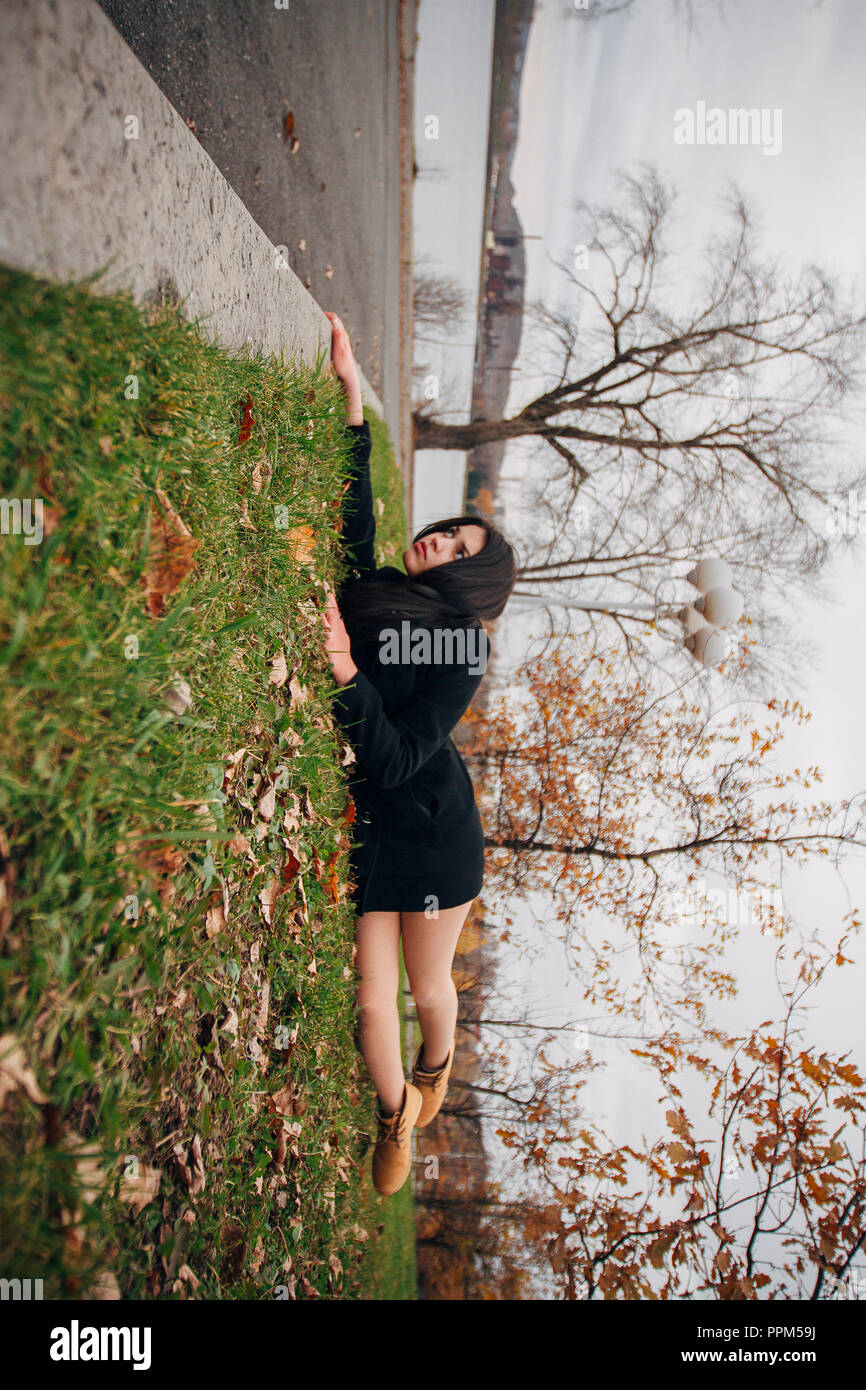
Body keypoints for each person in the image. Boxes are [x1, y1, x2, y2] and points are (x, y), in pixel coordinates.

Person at [319, 312, 517, 1196]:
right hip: (381, 823)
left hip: (434, 831)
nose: (435, 539)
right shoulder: (389, 590)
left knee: (427, 992)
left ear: (465, 584)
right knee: (370, 1001)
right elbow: (356, 535)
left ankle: (437, 1065)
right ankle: (396, 1114)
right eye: (444, 530)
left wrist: (340, 670)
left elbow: (396, 758)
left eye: (455, 549)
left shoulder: (459, 650)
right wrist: (355, 407)